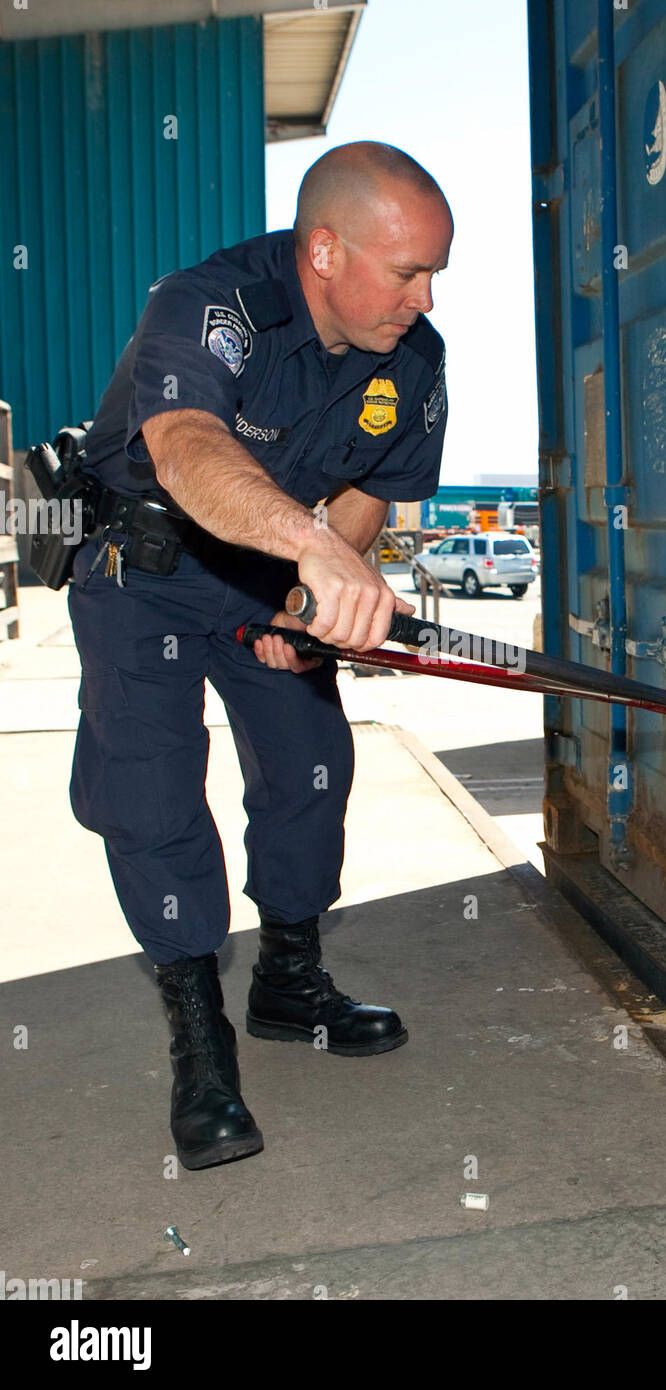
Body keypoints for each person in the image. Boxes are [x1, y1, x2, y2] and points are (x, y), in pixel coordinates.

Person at [67, 141, 452, 1170]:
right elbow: (186, 441)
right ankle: (201, 1037)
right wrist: (315, 549)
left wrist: (316, 597)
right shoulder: (211, 304)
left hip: (263, 580)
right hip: (142, 563)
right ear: (325, 249)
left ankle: (290, 980)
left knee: (309, 769)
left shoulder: (411, 358)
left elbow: (374, 481)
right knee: (151, 792)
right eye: (405, 271)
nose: (421, 298)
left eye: (434, 276)